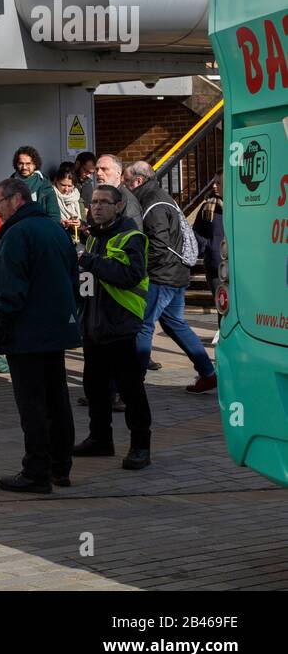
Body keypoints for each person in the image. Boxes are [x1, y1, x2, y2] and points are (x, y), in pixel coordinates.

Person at [0, 178, 80, 494]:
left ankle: (37, 471)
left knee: (33, 404)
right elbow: (73, 278)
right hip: (54, 330)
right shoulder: (55, 230)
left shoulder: (17, 234)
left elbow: (9, 291)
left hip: (26, 332)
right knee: (56, 398)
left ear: (15, 200)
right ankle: (60, 467)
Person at [75, 185, 153, 470]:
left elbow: (128, 275)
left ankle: (140, 446)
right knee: (94, 388)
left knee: (131, 389)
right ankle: (100, 439)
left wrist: (88, 260)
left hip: (121, 324)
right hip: (95, 325)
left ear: (119, 206)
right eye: (94, 202)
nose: (97, 207)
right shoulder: (94, 237)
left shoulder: (131, 236)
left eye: (104, 202)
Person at [124, 161, 217, 393]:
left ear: (138, 180)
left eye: (126, 181)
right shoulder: (159, 196)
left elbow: (158, 244)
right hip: (175, 272)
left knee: (143, 325)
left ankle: (132, 383)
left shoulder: (152, 203)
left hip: (161, 275)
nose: (124, 185)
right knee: (175, 324)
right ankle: (208, 372)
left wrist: (143, 271)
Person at [193, 175, 224, 345]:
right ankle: (224, 338)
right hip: (215, 264)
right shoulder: (208, 207)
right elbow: (196, 232)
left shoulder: (240, 207)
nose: (214, 186)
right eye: (214, 182)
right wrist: (207, 247)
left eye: (218, 183)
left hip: (239, 265)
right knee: (222, 304)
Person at [11, 146, 60, 220]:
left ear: (35, 164)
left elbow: (54, 215)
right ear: (16, 164)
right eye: (21, 163)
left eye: (28, 164)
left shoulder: (45, 184)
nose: (24, 167)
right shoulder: (9, 185)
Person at [95, 154, 144, 227]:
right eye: (97, 169)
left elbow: (133, 234)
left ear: (118, 173)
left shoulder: (127, 201)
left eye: (104, 169)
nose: (98, 173)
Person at [52, 162, 88, 246]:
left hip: (76, 242)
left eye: (70, 186)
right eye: (63, 185)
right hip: (57, 241)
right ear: (56, 181)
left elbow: (84, 223)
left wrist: (79, 223)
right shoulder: (49, 197)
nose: (66, 189)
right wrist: (60, 222)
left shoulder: (77, 198)